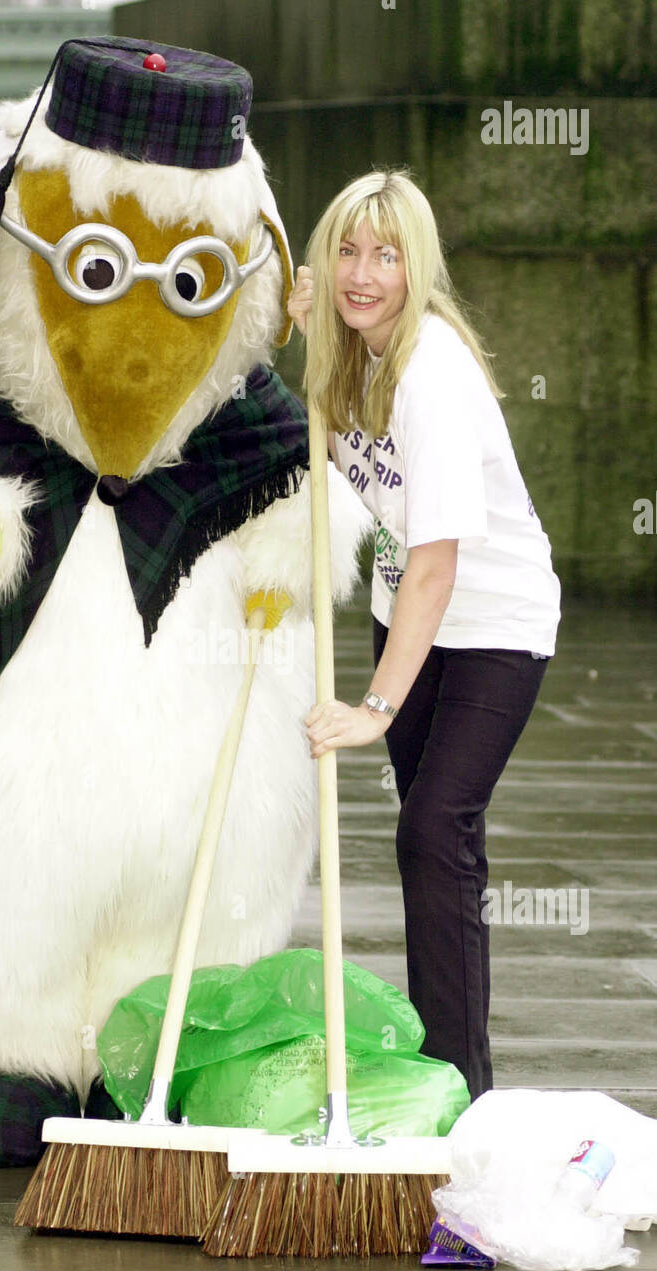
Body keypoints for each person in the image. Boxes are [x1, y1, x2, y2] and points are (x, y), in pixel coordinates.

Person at [288, 169, 560, 1101]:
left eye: (387, 255)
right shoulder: (348, 344)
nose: (364, 273)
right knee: (432, 841)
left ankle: (462, 1090)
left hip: (492, 622)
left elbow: (439, 566)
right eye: (348, 252)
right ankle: (445, 1074)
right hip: (406, 613)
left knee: (435, 826)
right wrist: (300, 320)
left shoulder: (430, 373)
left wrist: (373, 708)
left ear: (420, 265)